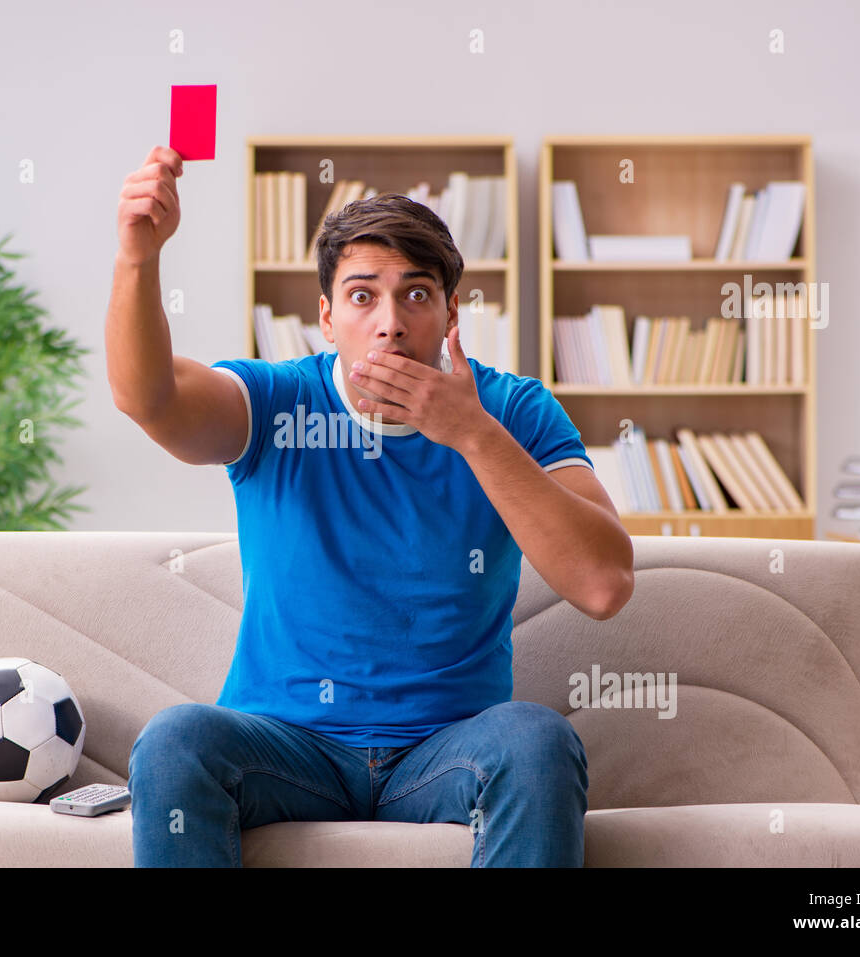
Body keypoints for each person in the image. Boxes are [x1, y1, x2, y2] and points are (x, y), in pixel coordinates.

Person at [107, 145, 634, 867]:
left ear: (451, 311)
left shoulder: (512, 410)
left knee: (537, 740)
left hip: (446, 750)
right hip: (285, 746)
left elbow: (604, 583)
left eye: (417, 294)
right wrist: (139, 258)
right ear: (327, 317)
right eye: (363, 296)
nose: (390, 322)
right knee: (175, 740)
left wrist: (473, 435)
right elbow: (150, 398)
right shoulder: (276, 402)